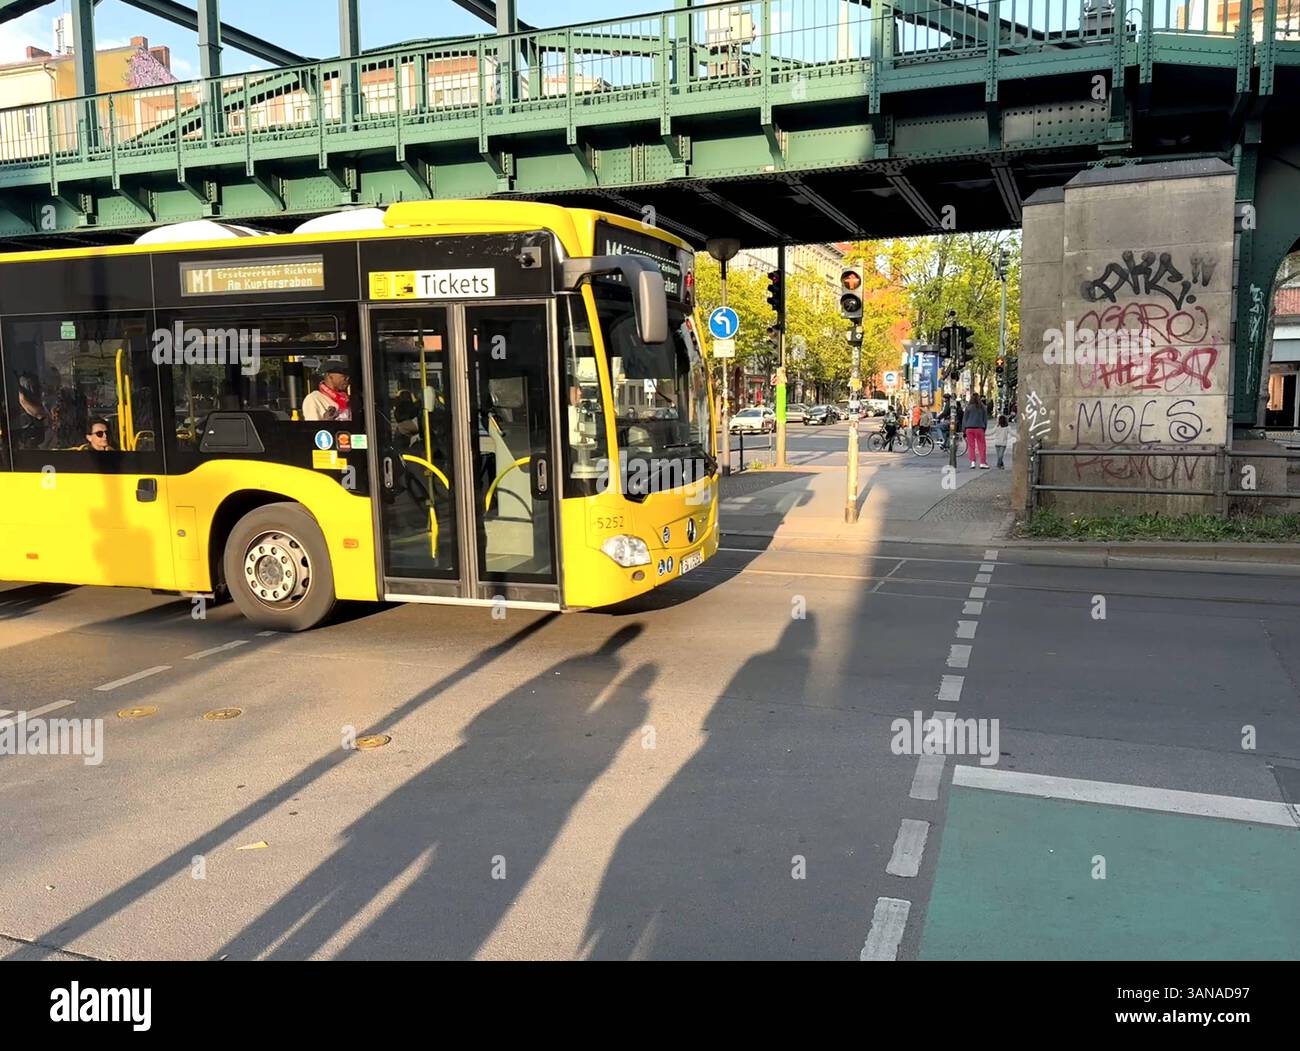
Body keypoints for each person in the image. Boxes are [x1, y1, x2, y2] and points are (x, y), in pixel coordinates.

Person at [964, 393, 989, 469]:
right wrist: (984, 428)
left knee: (971, 446)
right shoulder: (982, 407)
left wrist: (964, 429)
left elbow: (964, 419)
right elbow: (985, 420)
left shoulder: (968, 407)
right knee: (981, 446)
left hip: (969, 428)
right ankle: (982, 462)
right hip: (979, 428)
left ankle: (972, 462)